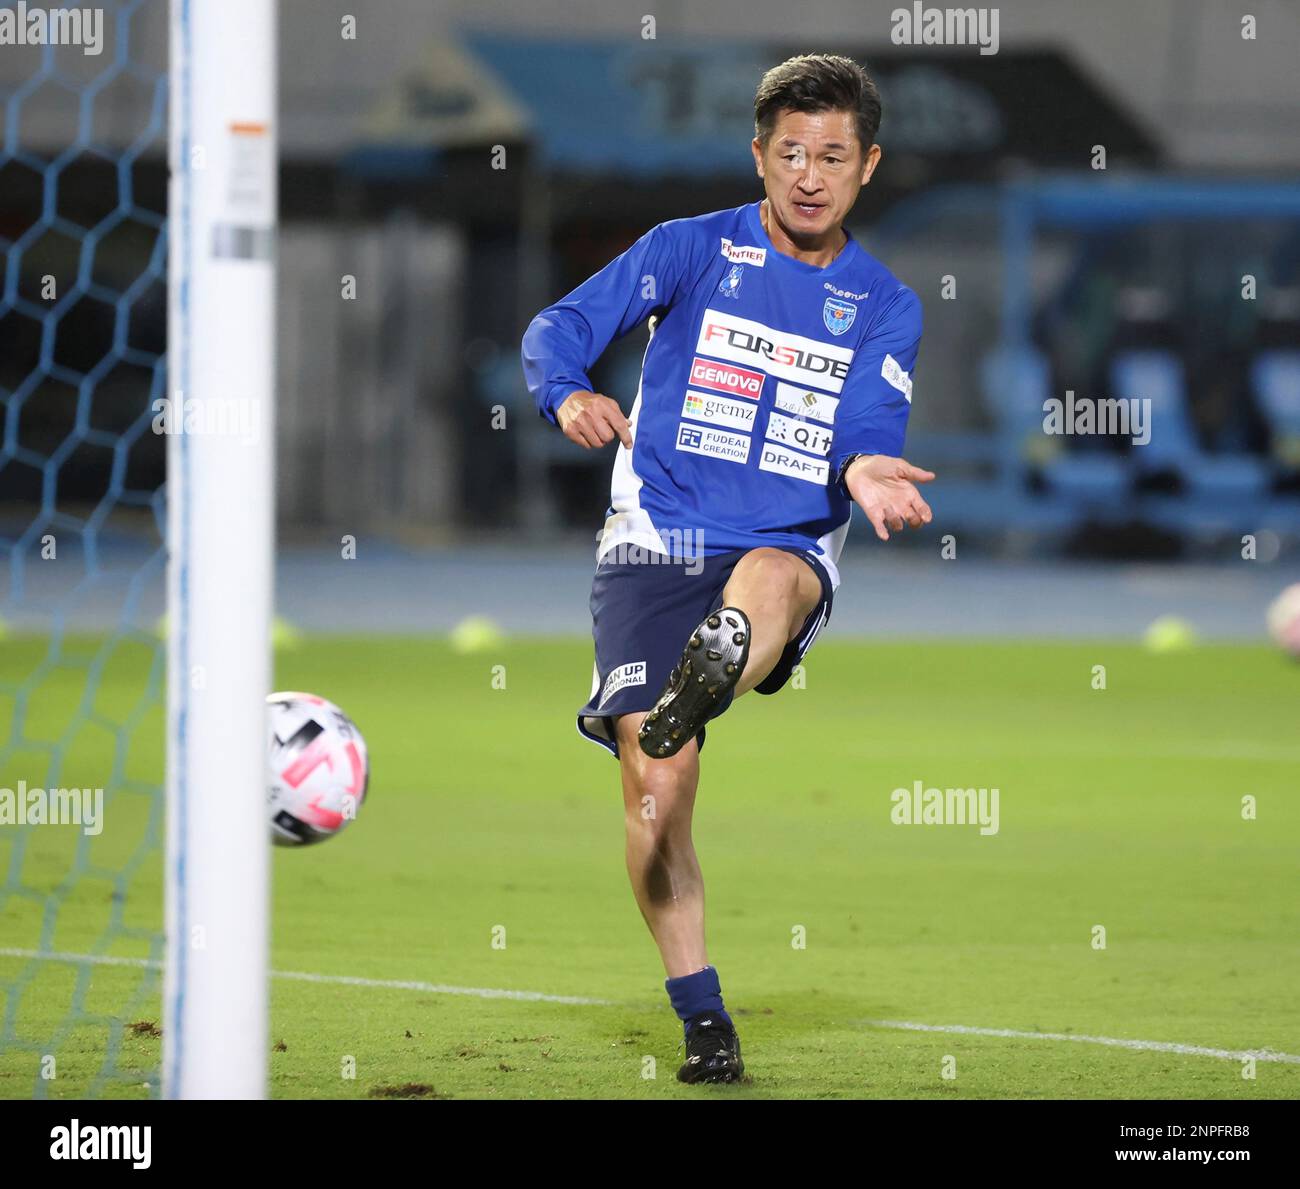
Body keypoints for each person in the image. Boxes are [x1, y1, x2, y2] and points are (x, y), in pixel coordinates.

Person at [521, 53, 934, 1085]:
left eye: (832, 156)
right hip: (653, 542)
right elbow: (558, 326)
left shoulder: (883, 303)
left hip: (781, 545)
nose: (808, 174)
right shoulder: (686, 250)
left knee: (767, 581)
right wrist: (567, 391)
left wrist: (867, 465)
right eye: (789, 153)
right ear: (758, 157)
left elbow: (869, 421)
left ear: (866, 165)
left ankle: (720, 661)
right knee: (657, 787)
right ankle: (704, 1018)